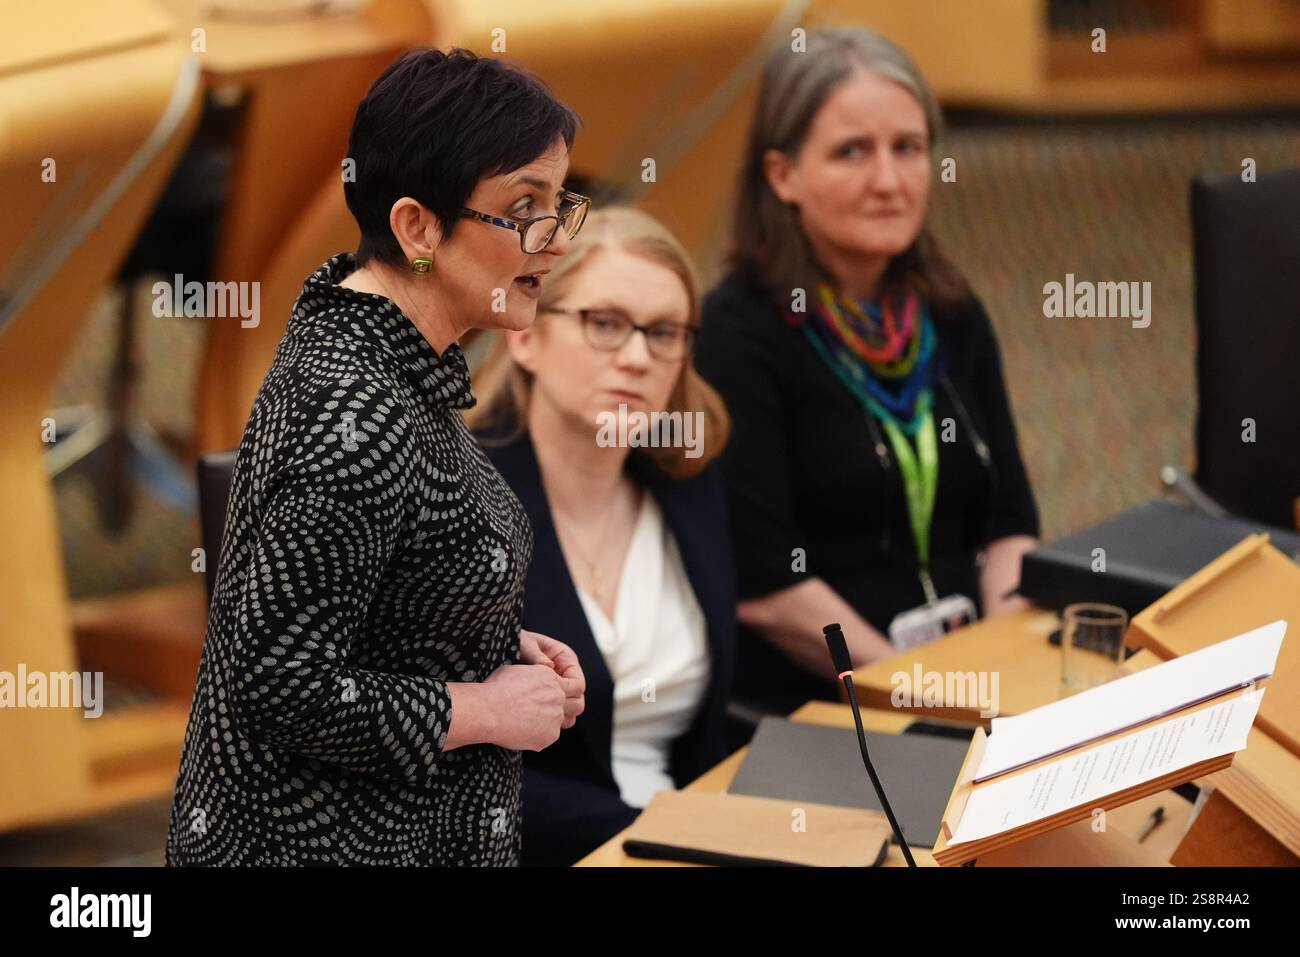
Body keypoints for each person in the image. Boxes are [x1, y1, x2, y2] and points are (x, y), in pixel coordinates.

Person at [166, 47, 591, 866]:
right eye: (524, 207)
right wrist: (483, 707)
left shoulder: (393, 362)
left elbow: (374, 593)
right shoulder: (353, 410)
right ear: (417, 226)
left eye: (560, 203)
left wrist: (487, 639)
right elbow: (282, 684)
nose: (556, 241)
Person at [695, 26, 1040, 714]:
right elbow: (766, 588)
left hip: (968, 678)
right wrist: (922, 688)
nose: (889, 181)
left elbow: (1009, 525)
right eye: (852, 152)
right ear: (782, 175)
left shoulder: (950, 311)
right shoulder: (739, 331)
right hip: (827, 702)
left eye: (907, 149)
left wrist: (1002, 664)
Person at [468, 207, 736, 865]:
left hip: (687, 836)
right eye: (606, 324)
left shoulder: (688, 483)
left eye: (664, 332)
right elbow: (446, 770)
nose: (640, 357)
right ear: (525, 335)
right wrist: (653, 832)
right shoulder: (458, 501)